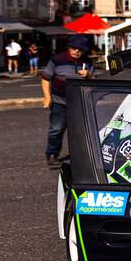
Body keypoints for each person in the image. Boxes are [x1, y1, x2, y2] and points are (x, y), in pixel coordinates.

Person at [40, 34, 92, 168]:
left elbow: (94, 81)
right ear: (69, 48)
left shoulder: (87, 62)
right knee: (56, 129)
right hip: (59, 102)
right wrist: (47, 97)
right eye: (74, 48)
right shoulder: (57, 60)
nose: (77, 51)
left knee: (79, 131)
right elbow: (46, 78)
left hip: (80, 103)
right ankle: (52, 154)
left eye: (80, 49)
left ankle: (78, 156)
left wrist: (89, 75)